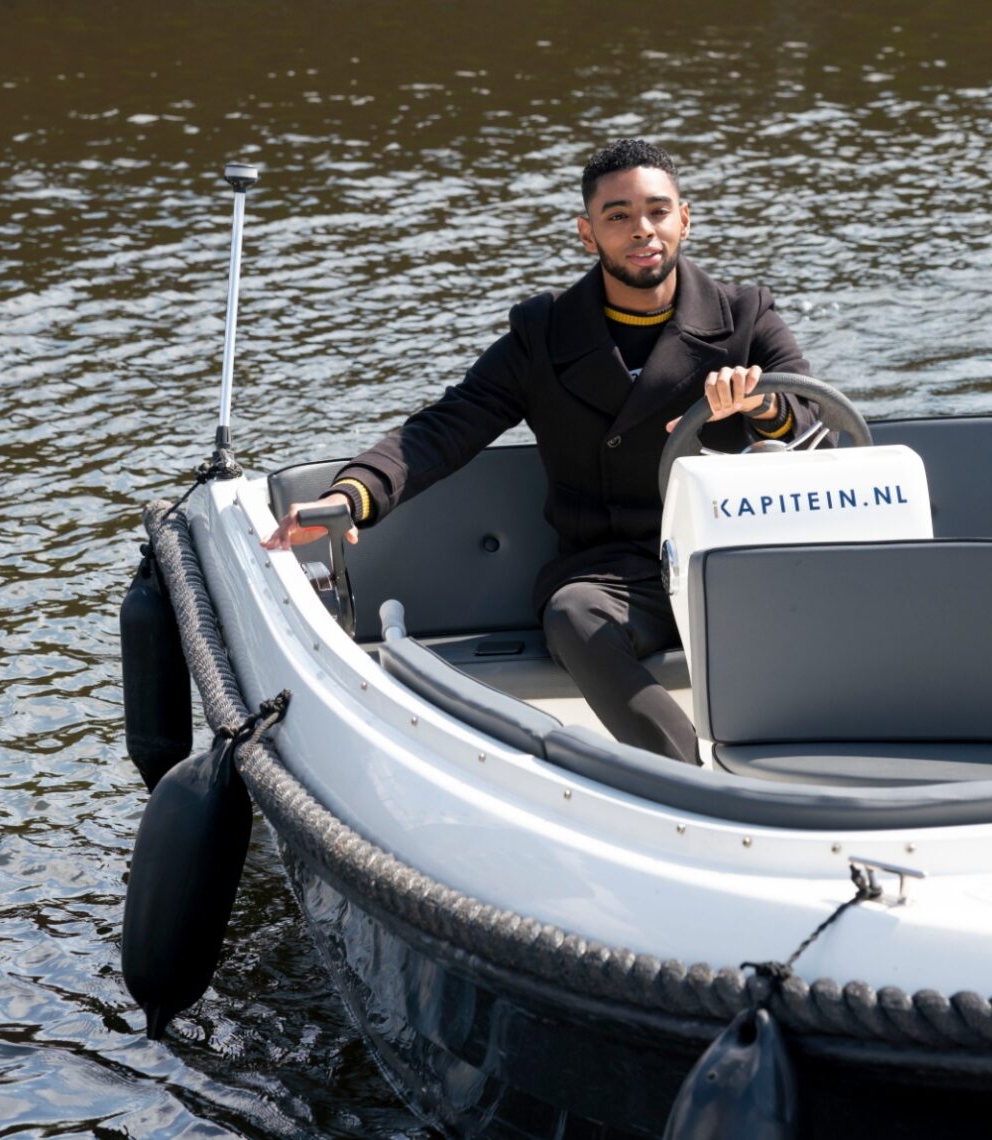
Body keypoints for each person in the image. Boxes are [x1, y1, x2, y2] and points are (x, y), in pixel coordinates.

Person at [263, 139, 822, 766]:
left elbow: (817, 422)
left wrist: (762, 406)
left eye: (658, 212)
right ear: (587, 233)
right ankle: (698, 783)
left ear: (684, 219)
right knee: (572, 614)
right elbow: (446, 427)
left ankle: (829, 773)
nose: (643, 230)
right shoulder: (543, 333)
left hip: (729, 557)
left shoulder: (745, 315)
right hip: (615, 574)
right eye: (618, 216)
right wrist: (353, 494)